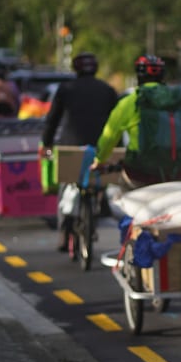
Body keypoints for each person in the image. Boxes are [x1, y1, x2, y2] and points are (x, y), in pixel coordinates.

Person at [38, 52, 119, 251]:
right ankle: (101, 203)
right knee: (99, 182)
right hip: (101, 147)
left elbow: (52, 120)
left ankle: (64, 234)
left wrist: (47, 145)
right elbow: (116, 123)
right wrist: (118, 148)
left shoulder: (66, 89)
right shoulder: (107, 90)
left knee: (66, 187)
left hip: (69, 147)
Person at [90, 55, 181, 189]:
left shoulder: (130, 102)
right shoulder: (177, 100)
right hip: (175, 172)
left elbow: (110, 137)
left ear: (138, 76)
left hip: (140, 173)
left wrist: (99, 161)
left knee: (122, 197)